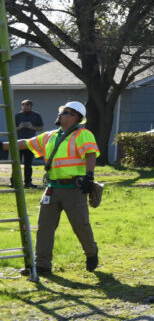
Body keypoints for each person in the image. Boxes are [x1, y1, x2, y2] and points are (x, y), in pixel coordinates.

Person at [24, 101, 99, 275]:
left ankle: (91, 253)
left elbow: (90, 154)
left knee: (80, 225)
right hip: (52, 188)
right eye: (61, 111)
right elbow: (25, 143)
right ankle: (42, 265)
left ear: (75, 117)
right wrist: (2, 145)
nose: (60, 114)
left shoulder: (83, 134)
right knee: (44, 227)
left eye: (64, 112)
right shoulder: (50, 136)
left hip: (74, 188)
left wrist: (89, 176)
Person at [14, 100, 44, 188]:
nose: (25, 107)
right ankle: (14, 182)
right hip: (18, 143)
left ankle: (28, 183)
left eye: (28, 106)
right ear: (21, 106)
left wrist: (32, 127)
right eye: (24, 106)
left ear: (31, 107)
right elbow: (12, 129)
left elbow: (41, 128)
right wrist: (19, 127)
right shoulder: (17, 116)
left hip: (30, 143)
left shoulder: (36, 115)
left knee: (28, 164)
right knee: (16, 164)